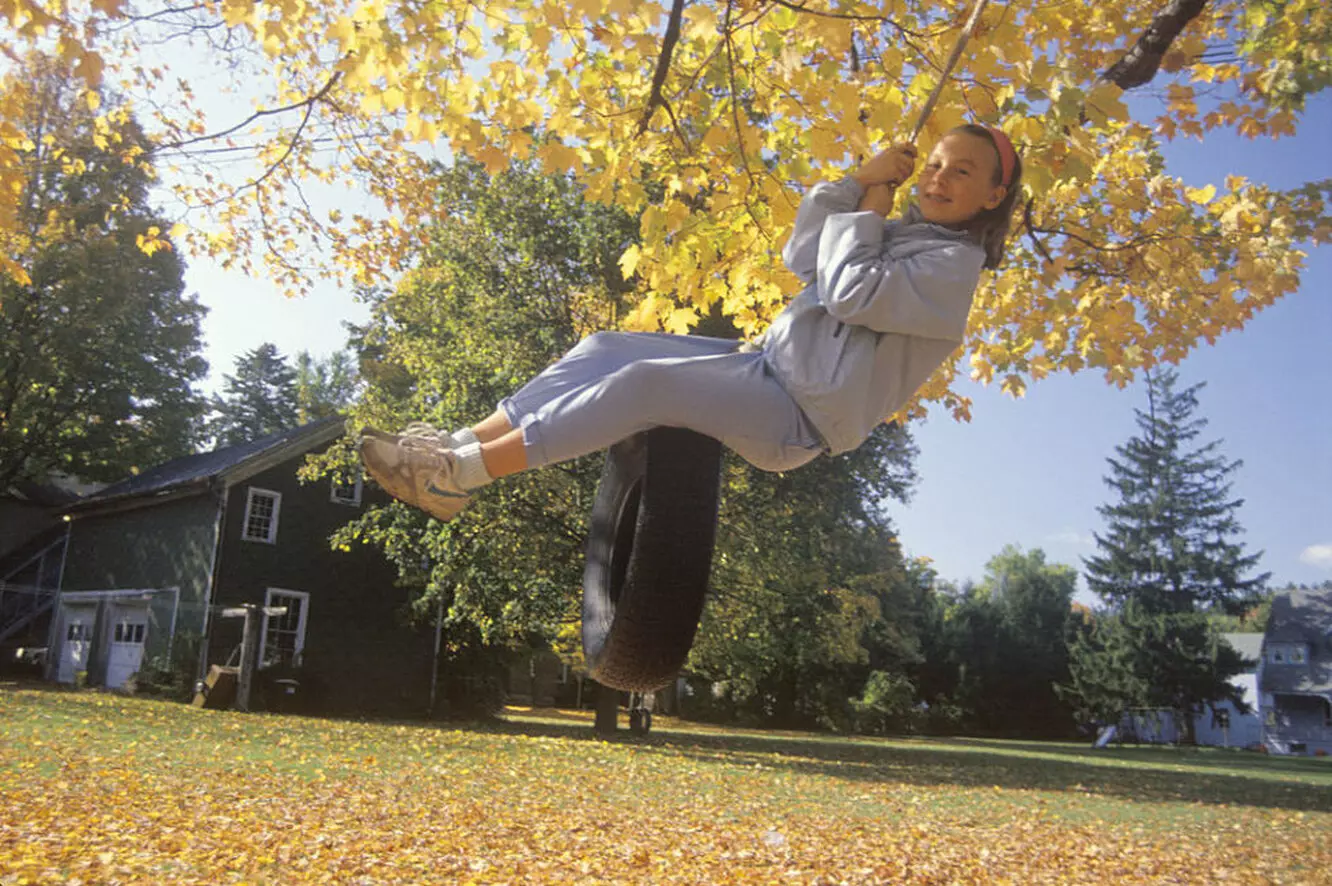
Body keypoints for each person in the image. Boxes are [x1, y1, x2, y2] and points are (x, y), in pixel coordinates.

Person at [359, 123, 1023, 522]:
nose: (938, 178)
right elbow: (803, 258)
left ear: (993, 195)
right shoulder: (895, 228)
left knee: (646, 384)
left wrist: (867, 215)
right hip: (761, 363)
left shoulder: (952, 270)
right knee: (605, 348)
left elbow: (849, 293)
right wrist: (855, 184)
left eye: (960, 172)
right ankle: (450, 443)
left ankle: (457, 477)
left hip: (798, 417)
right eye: (933, 164)